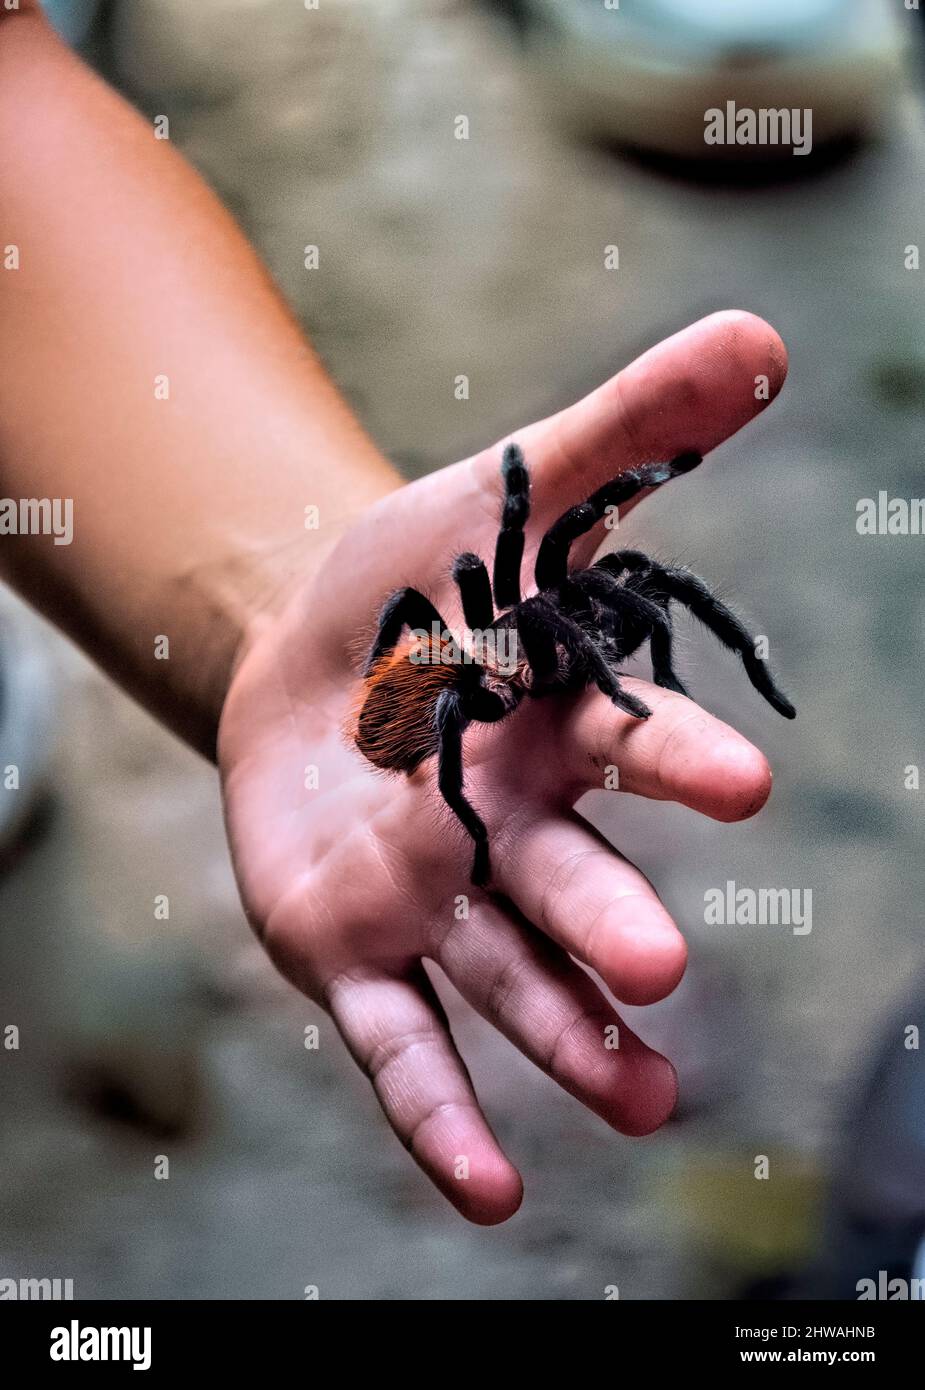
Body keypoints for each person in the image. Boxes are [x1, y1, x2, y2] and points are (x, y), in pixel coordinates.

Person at [0, 2, 788, 1224]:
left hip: (420, 667)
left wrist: (274, 623)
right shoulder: (465, 670)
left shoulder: (517, 621)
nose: (586, 632)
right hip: (429, 692)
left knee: (629, 588)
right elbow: (446, 727)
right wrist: (570, 731)